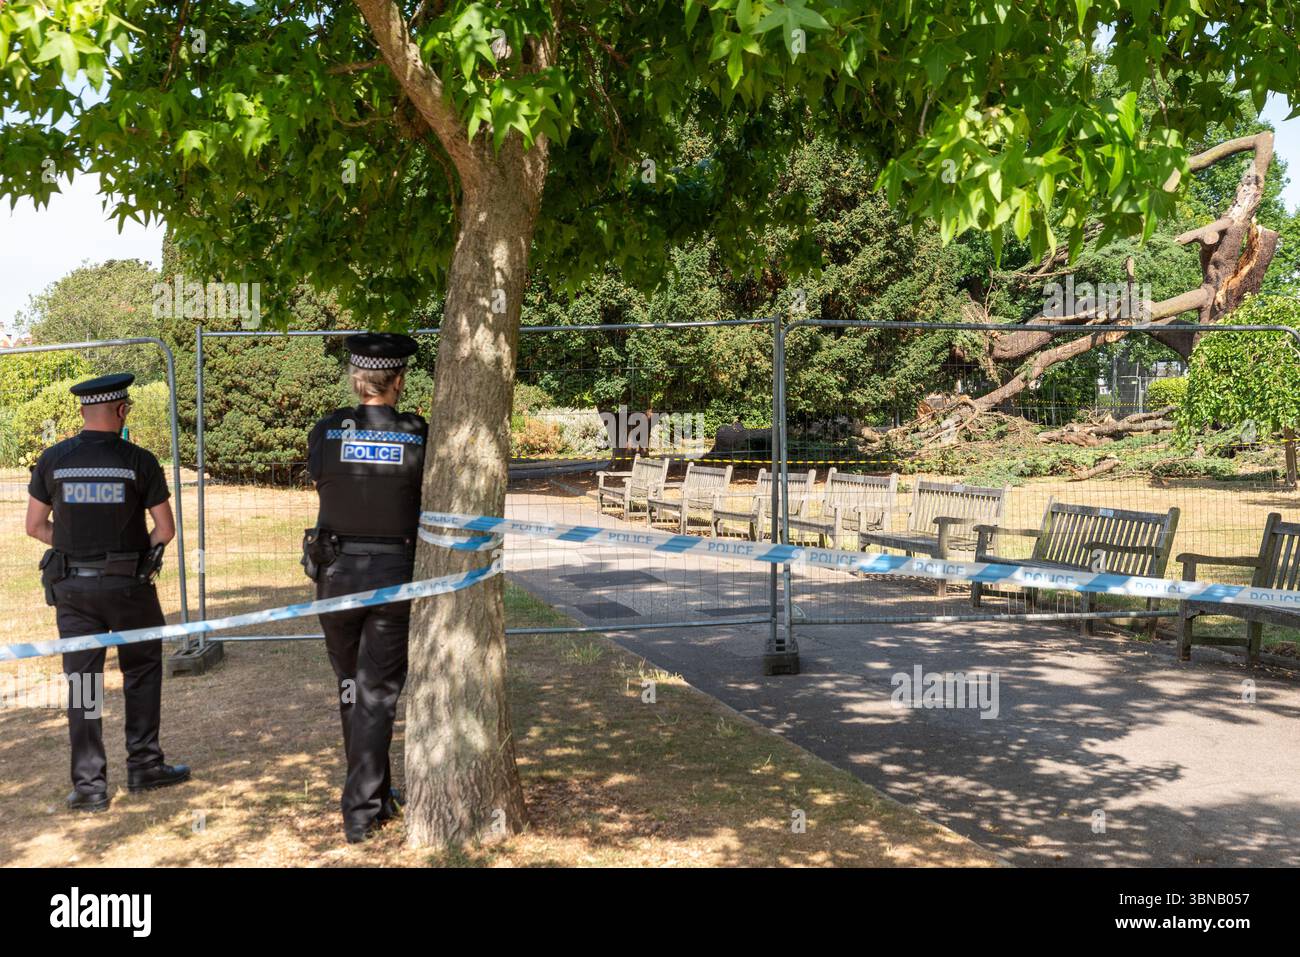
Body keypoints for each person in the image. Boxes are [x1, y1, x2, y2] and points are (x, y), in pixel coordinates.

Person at [25, 373, 191, 813]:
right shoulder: (138, 461)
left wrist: (75, 545)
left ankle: (89, 786)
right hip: (128, 586)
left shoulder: (53, 460)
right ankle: (144, 766)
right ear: (121, 411)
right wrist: (138, 553)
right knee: (141, 672)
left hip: (73, 589)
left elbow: (35, 526)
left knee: (83, 683)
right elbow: (166, 530)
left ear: (82, 412)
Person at [304, 333, 427, 843]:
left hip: (335, 576)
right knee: (375, 692)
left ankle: (377, 793)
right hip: (390, 576)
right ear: (398, 381)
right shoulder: (417, 433)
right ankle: (360, 812)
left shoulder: (328, 430)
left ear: (358, 380)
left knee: (353, 688)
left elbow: (321, 478)